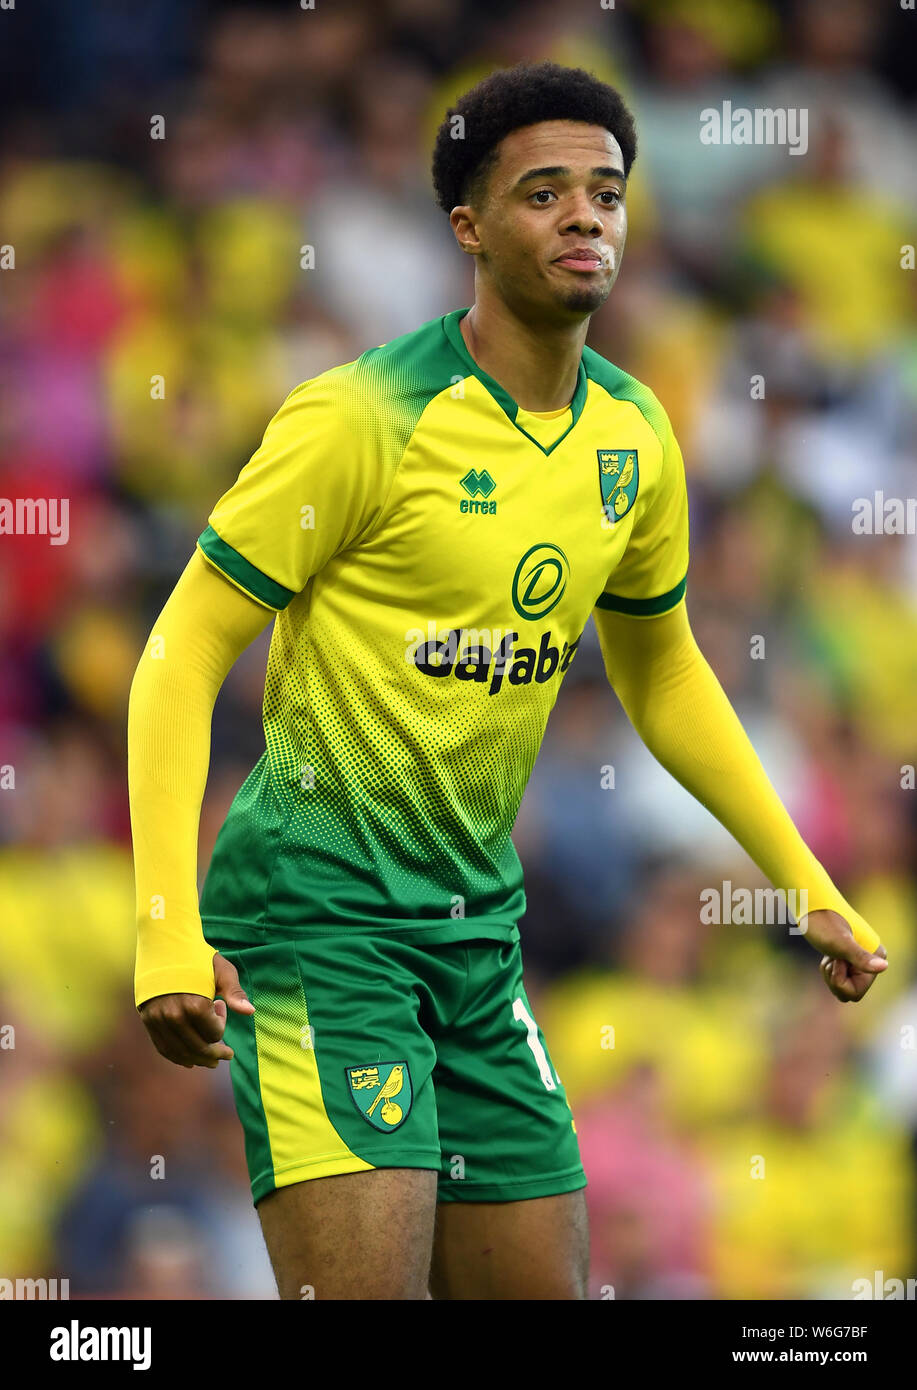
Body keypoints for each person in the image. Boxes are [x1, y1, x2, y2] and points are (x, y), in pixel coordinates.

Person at [127, 60, 887, 1301]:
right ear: (467, 228)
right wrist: (163, 924)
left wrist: (800, 881)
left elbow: (667, 673)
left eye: (605, 191)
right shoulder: (362, 415)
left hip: (477, 933)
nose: (585, 215)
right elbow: (179, 651)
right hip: (322, 921)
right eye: (544, 193)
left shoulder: (633, 437)